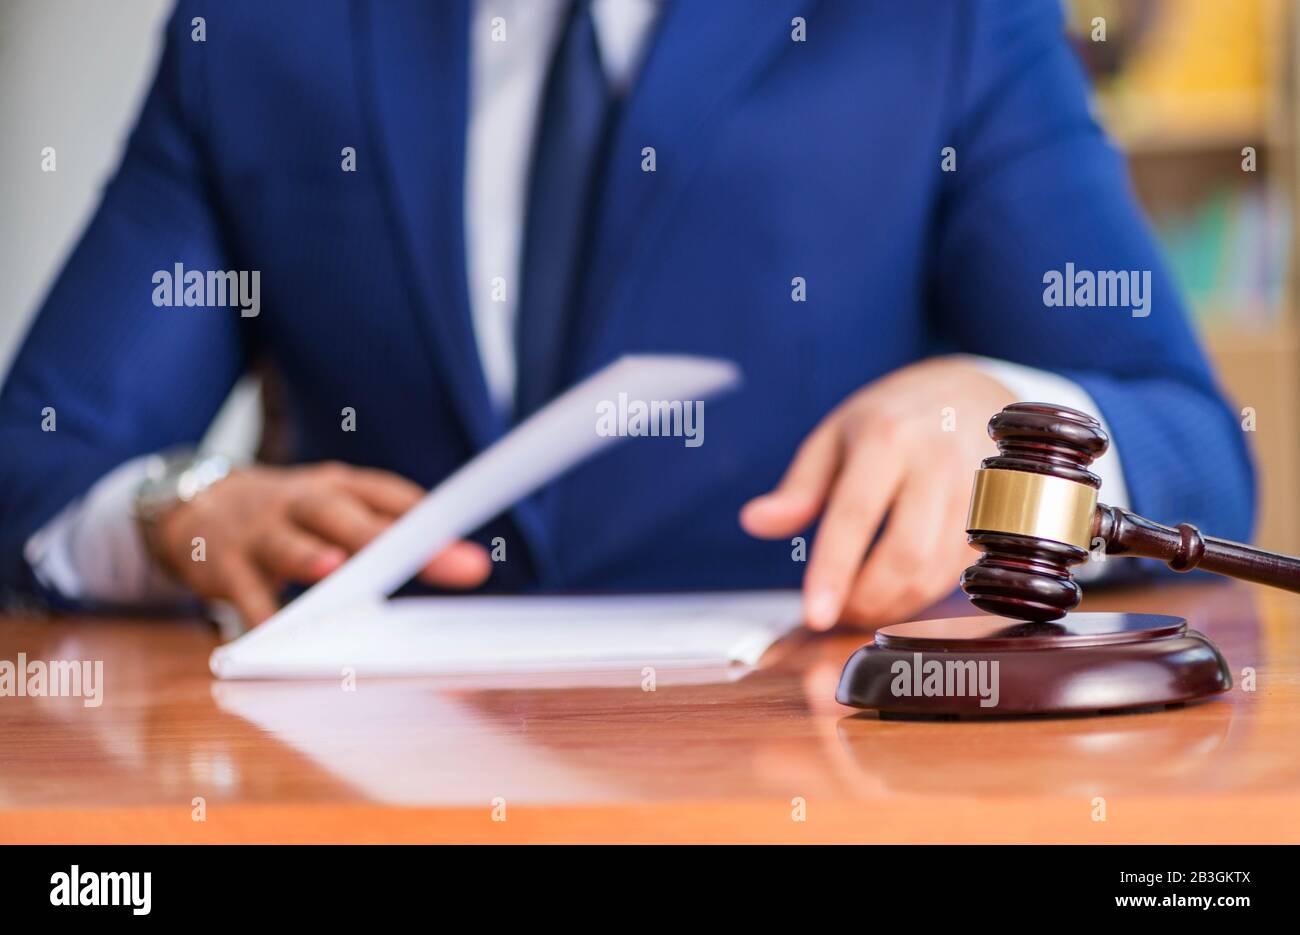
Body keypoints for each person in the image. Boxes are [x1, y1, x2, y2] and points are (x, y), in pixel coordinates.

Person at [0, 0, 1253, 631]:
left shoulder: (945, 21)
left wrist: (1002, 414)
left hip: (815, 774)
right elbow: (39, 461)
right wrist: (183, 513)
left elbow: (1184, 429)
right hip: (355, 786)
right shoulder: (262, 36)